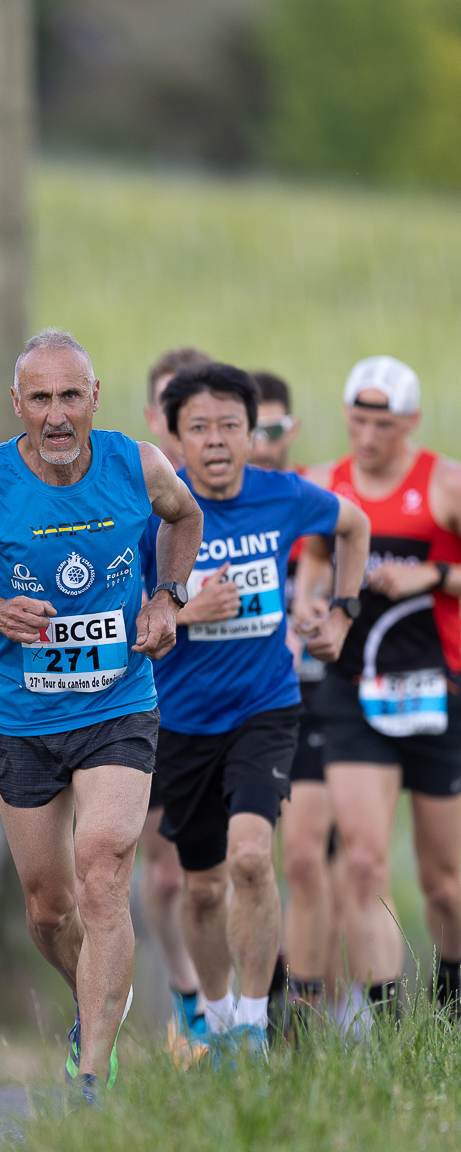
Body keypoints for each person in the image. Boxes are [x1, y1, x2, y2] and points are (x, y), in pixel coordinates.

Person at [0, 328, 203, 1103]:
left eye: (68, 395)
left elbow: (185, 517)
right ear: (17, 404)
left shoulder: (136, 464)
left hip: (118, 703)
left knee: (104, 866)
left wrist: (166, 597)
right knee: (49, 910)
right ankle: (90, 995)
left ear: (93, 398)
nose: (55, 414)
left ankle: (93, 1074)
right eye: (38, 398)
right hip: (23, 718)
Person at [142, 361, 369, 1057]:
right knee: (202, 888)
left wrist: (343, 613)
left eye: (230, 427)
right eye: (199, 428)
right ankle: (212, 1022)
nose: (215, 442)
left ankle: (251, 1023)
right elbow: (134, 633)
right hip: (181, 722)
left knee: (249, 860)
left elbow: (353, 525)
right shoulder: (155, 510)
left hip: (263, 710)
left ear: (252, 432)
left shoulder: (282, 496)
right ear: (172, 435)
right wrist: (182, 607)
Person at [303, 356, 461, 1026]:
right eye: (358, 419)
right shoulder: (327, 486)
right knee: (362, 862)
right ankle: (390, 1027)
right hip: (353, 689)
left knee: (443, 884)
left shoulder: (442, 485)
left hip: (434, 690)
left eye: (384, 423)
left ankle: (451, 1001)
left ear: (411, 423)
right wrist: (310, 609)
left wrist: (428, 576)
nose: (368, 435)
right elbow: (312, 561)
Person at [249, 371, 340, 1025]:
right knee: (247, 860)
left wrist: (324, 612)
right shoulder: (212, 507)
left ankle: (311, 1004)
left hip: (316, 698)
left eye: (274, 430)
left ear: (293, 432)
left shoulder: (313, 498)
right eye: (252, 430)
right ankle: (251, 1002)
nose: (262, 443)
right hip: (244, 704)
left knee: (307, 857)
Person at [141, 348, 212, 1055]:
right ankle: (187, 997)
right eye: (171, 409)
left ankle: (243, 1007)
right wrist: (188, 609)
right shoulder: (133, 496)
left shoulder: (239, 495)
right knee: (164, 876)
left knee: (223, 868)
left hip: (232, 710)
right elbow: (126, 606)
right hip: (150, 706)